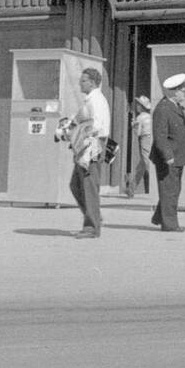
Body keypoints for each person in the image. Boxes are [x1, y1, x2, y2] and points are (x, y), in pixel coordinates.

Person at [68, 66, 110, 239]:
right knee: (76, 185)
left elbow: (97, 126)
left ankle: (92, 227)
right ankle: (93, 215)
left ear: (92, 83)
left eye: (83, 80)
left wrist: (80, 134)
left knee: (88, 185)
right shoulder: (89, 100)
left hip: (92, 145)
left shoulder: (96, 101)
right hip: (86, 145)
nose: (80, 83)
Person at [150, 73, 185, 232]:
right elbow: (160, 135)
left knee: (172, 189)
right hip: (168, 157)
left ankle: (160, 217)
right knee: (170, 191)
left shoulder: (174, 107)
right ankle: (170, 225)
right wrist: (167, 155)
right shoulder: (163, 109)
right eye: (183, 90)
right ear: (174, 91)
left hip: (178, 156)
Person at [128, 95, 153, 198]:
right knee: (142, 166)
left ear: (141, 106)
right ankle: (131, 189)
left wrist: (133, 126)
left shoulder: (139, 117)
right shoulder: (149, 116)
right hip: (151, 138)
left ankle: (132, 189)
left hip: (144, 139)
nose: (136, 106)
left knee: (146, 163)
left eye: (138, 104)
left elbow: (137, 133)